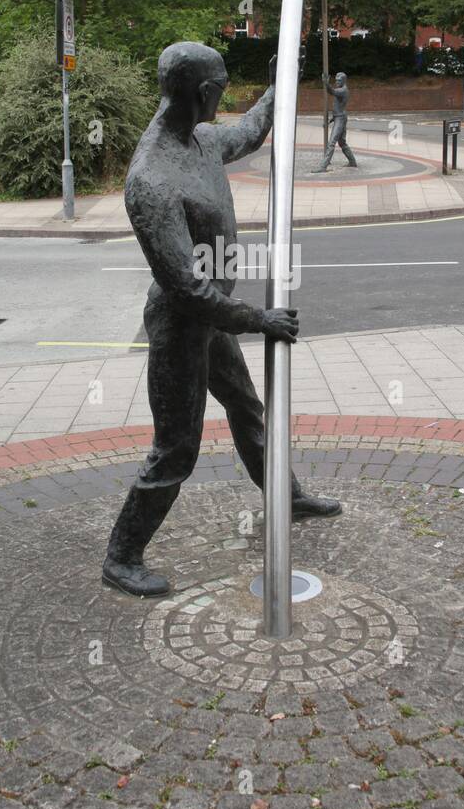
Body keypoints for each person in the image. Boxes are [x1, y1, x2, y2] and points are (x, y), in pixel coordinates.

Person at [102, 42, 342, 598]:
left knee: (245, 406)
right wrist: (259, 319)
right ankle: (122, 555)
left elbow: (253, 130)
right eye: (221, 87)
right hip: (182, 325)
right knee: (176, 448)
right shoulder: (152, 179)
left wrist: (280, 83)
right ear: (202, 92)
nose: (224, 96)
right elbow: (186, 288)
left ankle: (285, 493)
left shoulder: (203, 141)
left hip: (212, 320)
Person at [314, 71, 357, 171]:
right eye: (336, 80)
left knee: (331, 142)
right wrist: (333, 119)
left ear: (344, 81)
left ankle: (323, 166)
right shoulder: (341, 89)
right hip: (340, 117)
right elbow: (339, 107)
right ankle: (352, 162)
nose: (337, 82)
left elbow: (332, 91)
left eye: (339, 80)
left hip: (340, 119)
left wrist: (326, 83)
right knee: (342, 143)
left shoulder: (343, 90)